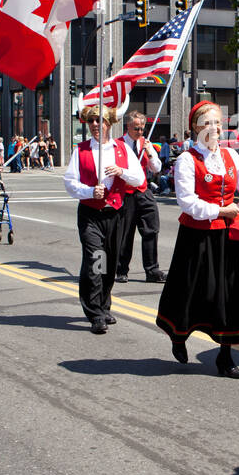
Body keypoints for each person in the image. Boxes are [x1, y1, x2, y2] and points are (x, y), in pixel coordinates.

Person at [156, 101, 239, 378]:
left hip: (228, 236)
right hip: (197, 236)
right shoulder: (187, 160)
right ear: (195, 129)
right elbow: (187, 202)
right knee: (191, 291)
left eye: (217, 123)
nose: (214, 128)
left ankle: (225, 357)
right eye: (207, 124)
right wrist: (220, 210)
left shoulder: (231, 157)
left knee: (230, 294)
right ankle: (179, 336)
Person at [63, 106, 144, 333]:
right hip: (91, 214)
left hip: (116, 213)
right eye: (91, 121)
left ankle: (104, 304)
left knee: (109, 262)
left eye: (100, 121)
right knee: (95, 261)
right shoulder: (81, 150)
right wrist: (90, 192)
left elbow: (138, 178)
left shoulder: (122, 149)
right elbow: (70, 183)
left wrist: (121, 172)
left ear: (110, 123)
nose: (96, 125)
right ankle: (95, 312)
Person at [117, 110, 167, 284]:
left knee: (151, 229)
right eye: (136, 128)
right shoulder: (118, 145)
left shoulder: (145, 143)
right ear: (128, 126)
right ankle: (121, 269)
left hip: (143, 191)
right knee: (125, 233)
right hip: (126, 193)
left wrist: (150, 152)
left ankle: (152, 270)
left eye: (142, 129)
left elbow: (157, 168)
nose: (139, 132)